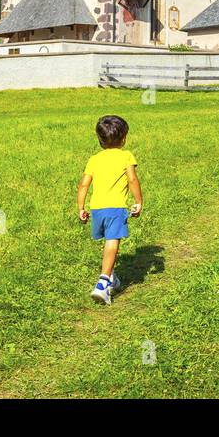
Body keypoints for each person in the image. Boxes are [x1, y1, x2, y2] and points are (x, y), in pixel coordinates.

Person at [78, 114, 144, 305]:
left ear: (100, 139)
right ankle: (103, 283)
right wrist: (138, 201)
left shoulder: (94, 159)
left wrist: (81, 208)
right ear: (123, 138)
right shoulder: (126, 156)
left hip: (97, 208)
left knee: (108, 241)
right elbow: (132, 179)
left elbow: (83, 185)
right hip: (115, 208)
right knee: (113, 242)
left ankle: (112, 276)